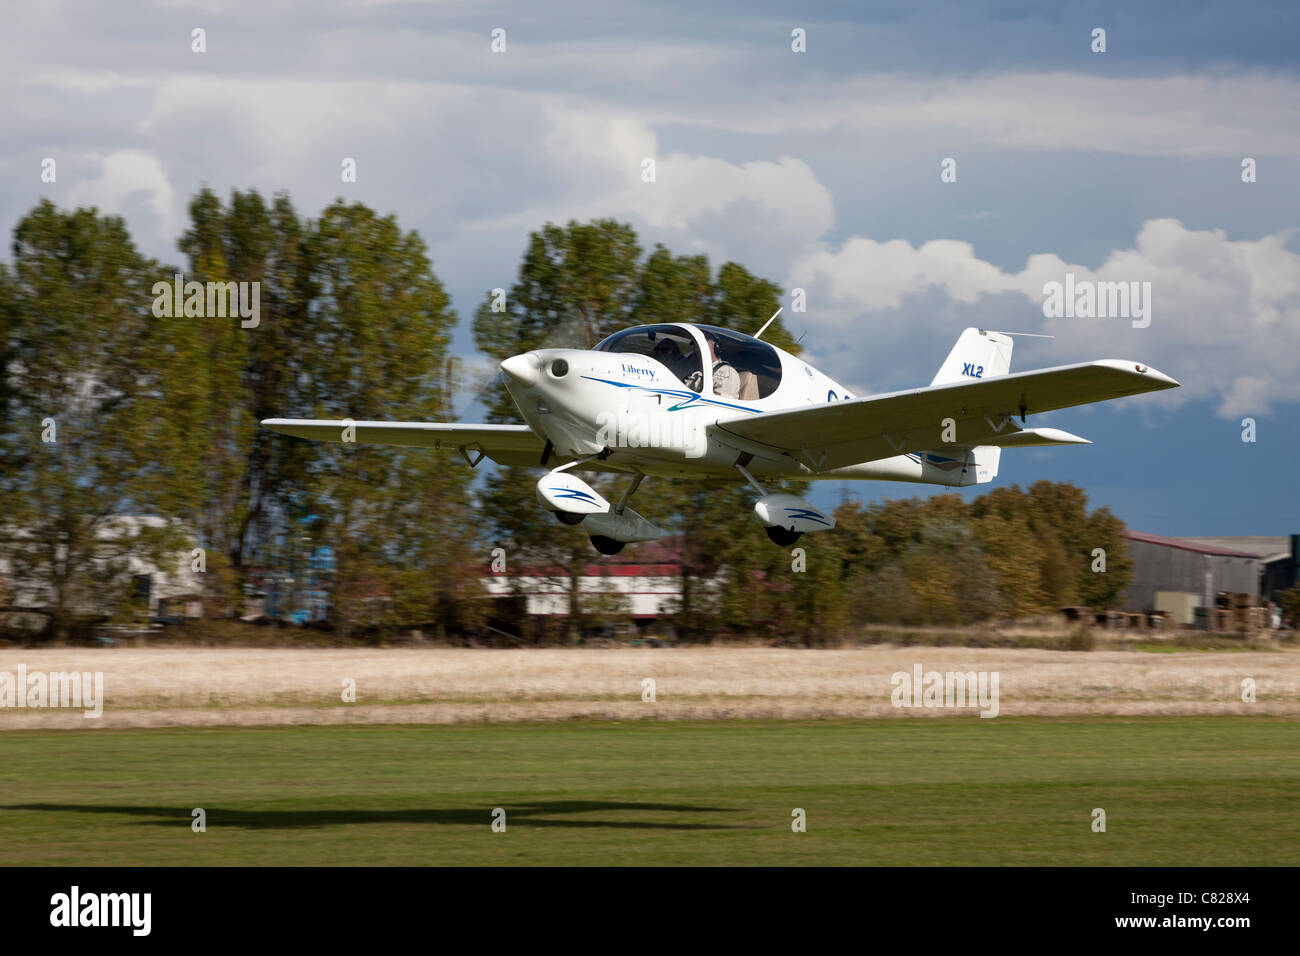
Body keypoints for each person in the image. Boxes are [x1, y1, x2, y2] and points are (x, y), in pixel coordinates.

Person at [704, 332, 741, 398]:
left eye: (704, 345)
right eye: (695, 345)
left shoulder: (727, 372)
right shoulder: (693, 366)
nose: (697, 349)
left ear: (715, 348)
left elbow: (718, 401)